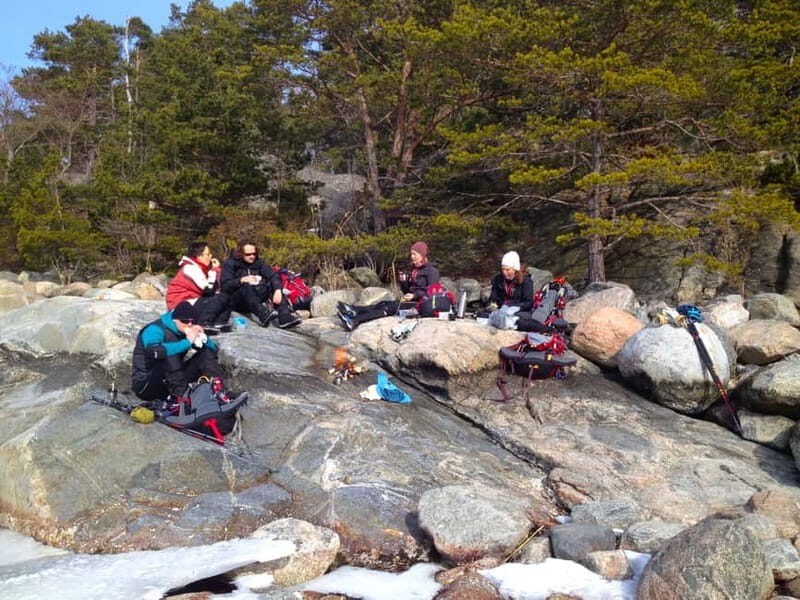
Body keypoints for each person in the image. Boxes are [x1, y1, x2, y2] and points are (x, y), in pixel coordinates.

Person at [131, 301, 223, 402]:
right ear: (174, 320)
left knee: (205, 353)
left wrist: (203, 337)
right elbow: (155, 352)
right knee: (169, 353)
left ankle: (217, 389)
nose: (189, 324)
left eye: (193, 321)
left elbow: (214, 350)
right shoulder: (154, 329)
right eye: (185, 321)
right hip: (147, 384)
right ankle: (182, 397)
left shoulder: (185, 330)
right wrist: (187, 342)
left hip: (172, 379)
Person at [337, 241, 440, 331]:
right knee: (383, 303)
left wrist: (415, 295)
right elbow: (407, 291)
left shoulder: (432, 271)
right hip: (412, 301)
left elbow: (431, 292)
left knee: (388, 308)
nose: (412, 257)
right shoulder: (415, 270)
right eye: (411, 254)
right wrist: (404, 282)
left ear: (422, 255)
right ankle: (354, 310)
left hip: (422, 306)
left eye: (415, 254)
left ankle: (355, 321)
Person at [220, 240, 301, 328]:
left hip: (256, 296)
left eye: (254, 254)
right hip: (237, 300)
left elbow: (272, 276)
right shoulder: (230, 264)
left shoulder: (259, 263)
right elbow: (225, 285)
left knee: (272, 284)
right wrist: (241, 280)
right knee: (246, 286)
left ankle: (284, 316)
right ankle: (263, 314)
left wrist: (277, 290)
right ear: (241, 254)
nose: (252, 256)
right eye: (248, 254)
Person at [165, 241, 231, 327]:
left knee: (226, 296)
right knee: (220, 298)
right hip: (180, 306)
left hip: (192, 301)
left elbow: (217, 288)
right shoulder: (190, 268)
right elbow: (208, 289)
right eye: (208, 254)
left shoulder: (202, 269)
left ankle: (219, 323)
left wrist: (217, 270)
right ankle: (205, 323)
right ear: (199, 256)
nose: (211, 256)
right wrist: (214, 270)